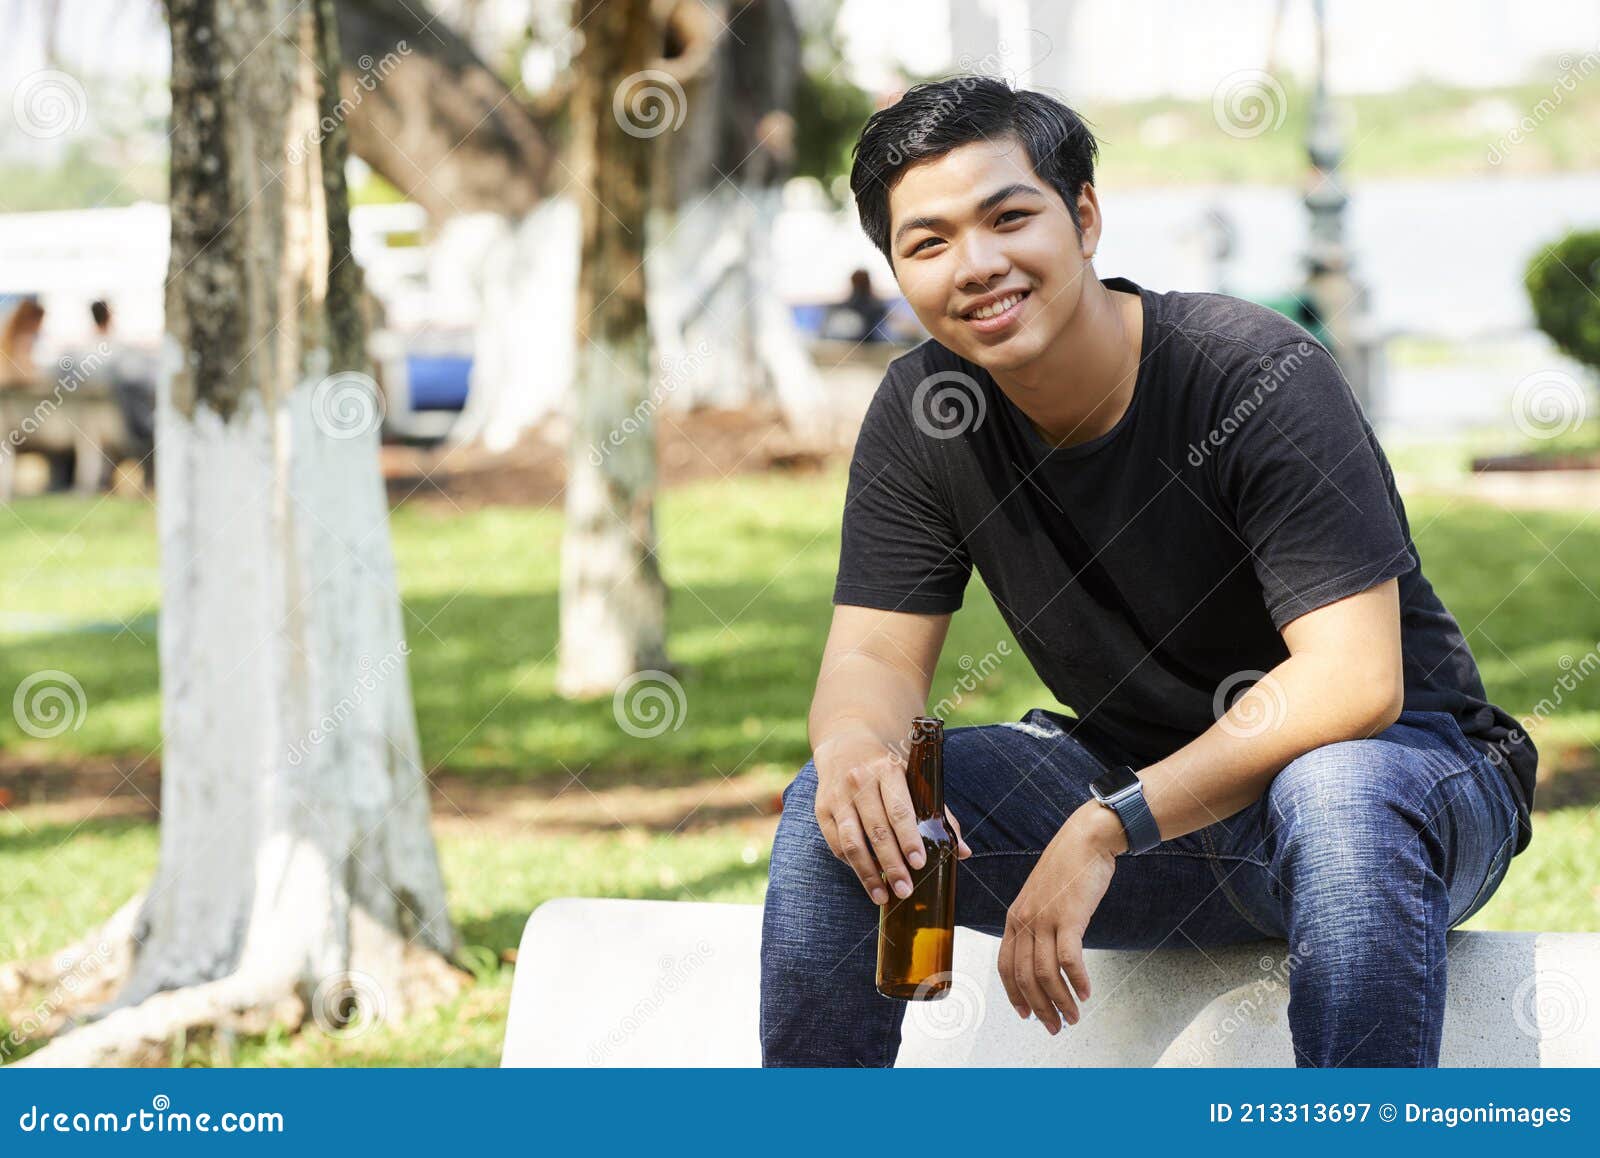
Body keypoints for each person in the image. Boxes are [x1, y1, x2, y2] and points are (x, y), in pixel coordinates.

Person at [760, 77, 1534, 1069]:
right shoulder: (927, 413)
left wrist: (1108, 827)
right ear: (898, 270)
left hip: (1402, 794)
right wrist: (860, 750)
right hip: (1154, 809)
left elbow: (1354, 682)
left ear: (1082, 217)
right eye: (930, 242)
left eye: (1008, 217)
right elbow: (872, 653)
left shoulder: (1248, 371)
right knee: (841, 813)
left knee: (1333, 789)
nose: (978, 264)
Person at [822, 268, 890, 342]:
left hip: (846, 348)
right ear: (868, 283)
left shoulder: (840, 308)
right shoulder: (877, 308)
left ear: (852, 283)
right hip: (868, 348)